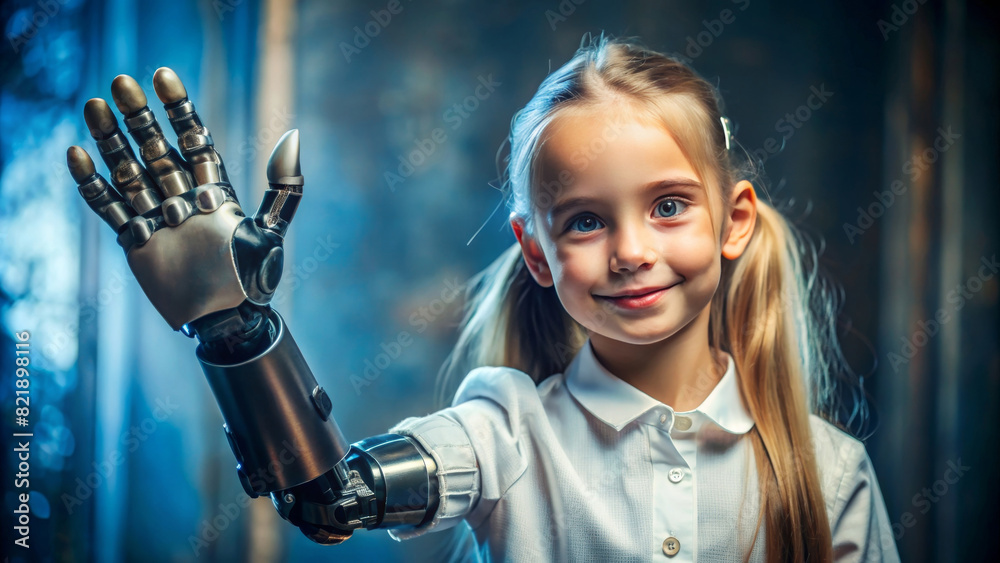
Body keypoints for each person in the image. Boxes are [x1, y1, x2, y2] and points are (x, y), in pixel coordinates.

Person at [67, 34, 899, 562]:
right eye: (584, 220)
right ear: (536, 251)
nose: (633, 250)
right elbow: (329, 496)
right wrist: (233, 327)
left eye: (669, 205)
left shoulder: (829, 474)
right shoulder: (504, 433)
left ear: (735, 219)